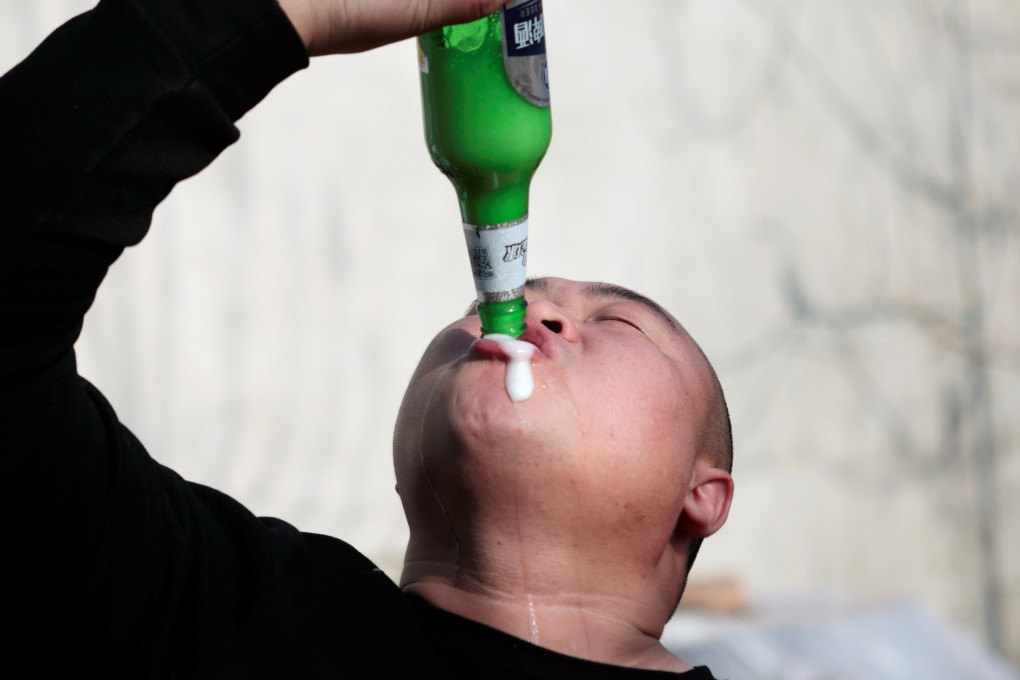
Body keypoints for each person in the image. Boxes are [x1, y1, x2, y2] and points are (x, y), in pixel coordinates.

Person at [0, 0, 734, 677]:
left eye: (615, 321)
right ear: (406, 467)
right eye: (487, 304)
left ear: (703, 495)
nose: (525, 311)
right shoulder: (232, 615)